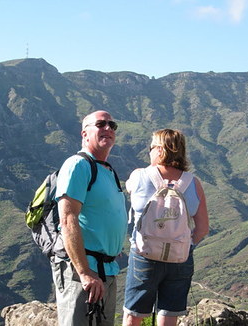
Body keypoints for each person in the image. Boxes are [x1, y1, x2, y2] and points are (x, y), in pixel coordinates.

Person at [123, 128, 209, 326]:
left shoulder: (139, 176)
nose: (150, 151)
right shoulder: (194, 183)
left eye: (152, 147)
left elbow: (129, 187)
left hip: (144, 255)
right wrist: (185, 245)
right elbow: (203, 228)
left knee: (133, 315)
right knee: (169, 315)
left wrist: (152, 168)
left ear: (160, 150)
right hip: (180, 257)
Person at [51, 110, 128, 326]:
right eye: (101, 124)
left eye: (112, 125)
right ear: (84, 134)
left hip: (107, 269)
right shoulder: (78, 165)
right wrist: (85, 273)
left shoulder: (107, 170)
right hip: (83, 270)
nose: (108, 129)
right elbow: (67, 219)